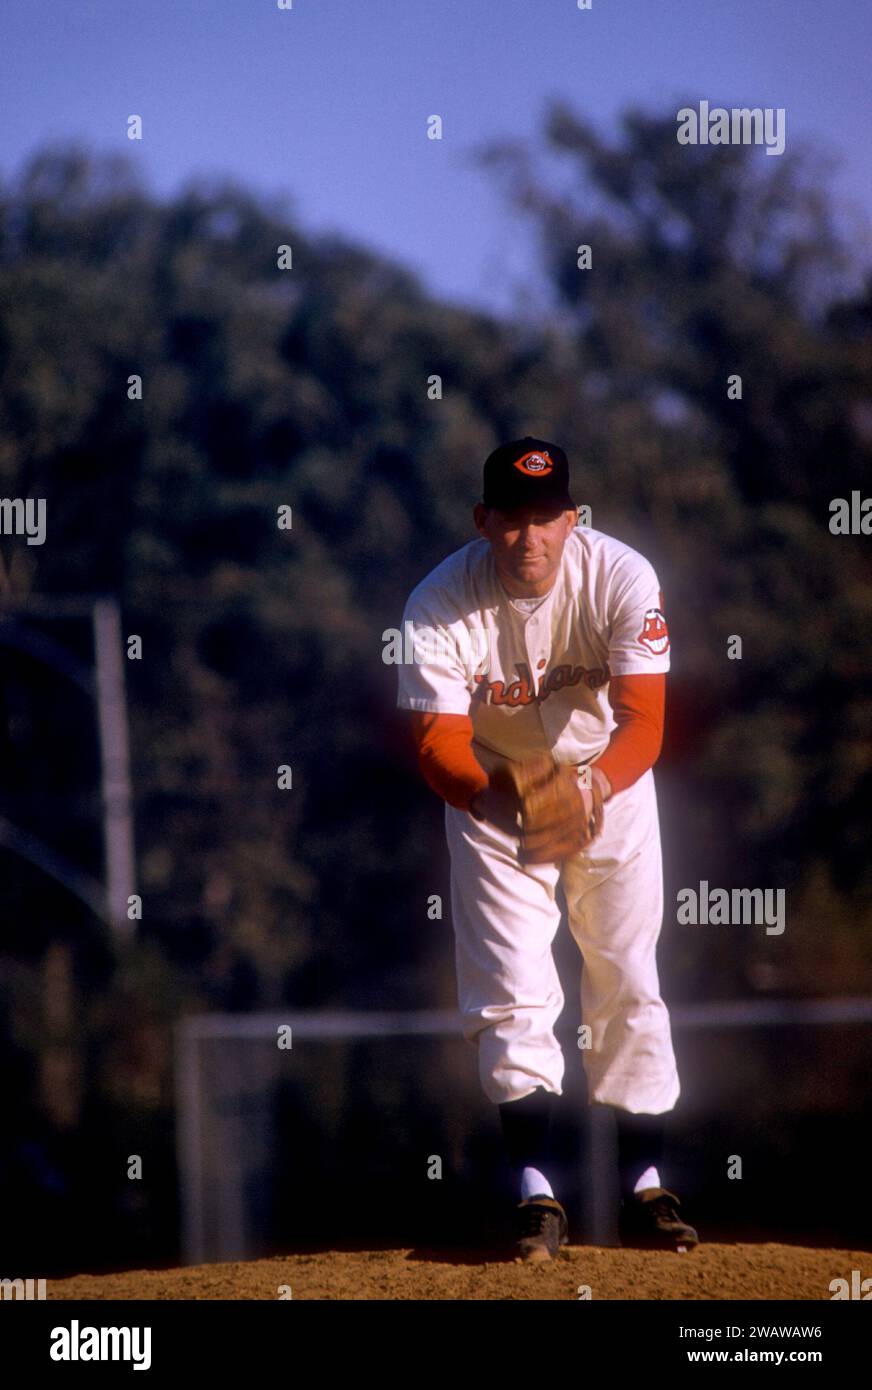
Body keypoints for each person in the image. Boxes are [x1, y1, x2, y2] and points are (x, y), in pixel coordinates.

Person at [396, 436, 698, 1261]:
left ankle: (646, 1187)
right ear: (482, 521)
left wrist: (591, 788)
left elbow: (645, 722)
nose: (529, 539)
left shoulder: (622, 576)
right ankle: (538, 1192)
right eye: (511, 520)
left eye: (546, 519)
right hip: (491, 793)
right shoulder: (436, 602)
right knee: (511, 986)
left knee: (627, 973)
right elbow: (434, 746)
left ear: (572, 520)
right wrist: (508, 797)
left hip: (614, 788)